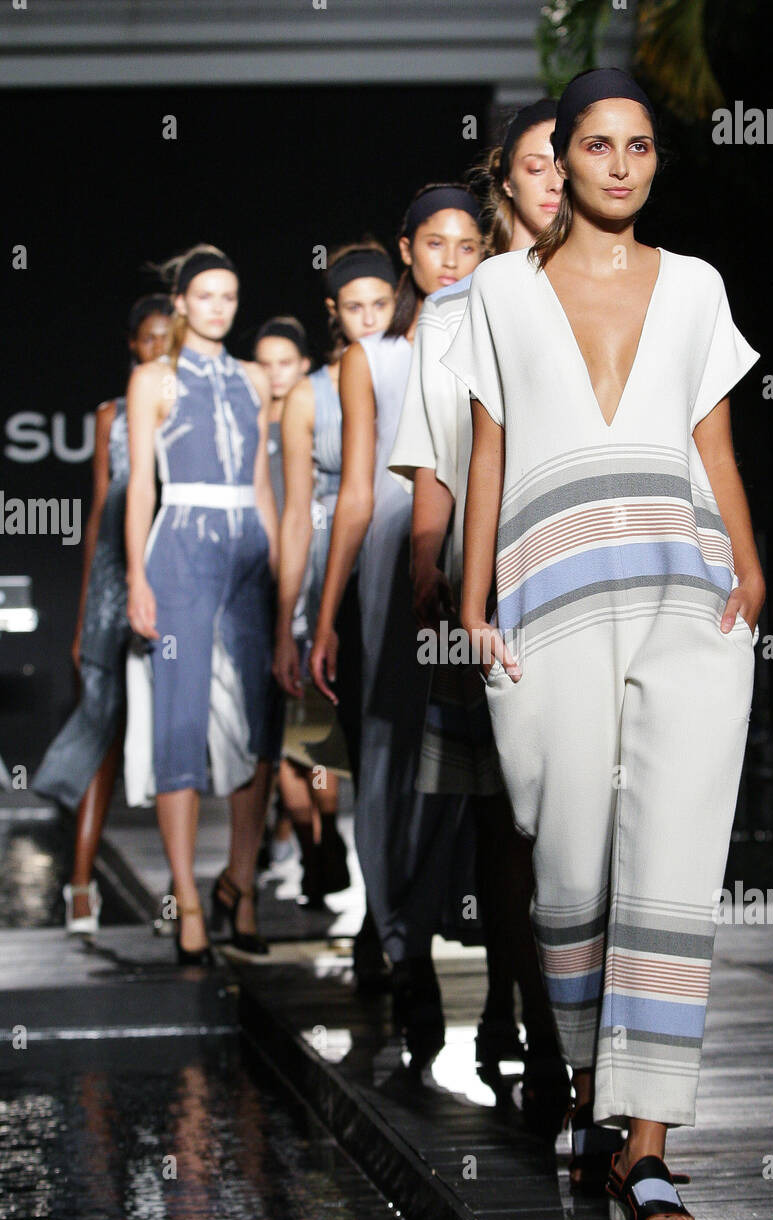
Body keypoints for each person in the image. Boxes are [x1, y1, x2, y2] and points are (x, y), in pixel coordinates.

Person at [445, 69, 764, 1220]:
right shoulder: (495, 292)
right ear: (559, 162)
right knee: (571, 866)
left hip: (683, 588)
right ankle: (583, 1093)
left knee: (672, 856)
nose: (619, 164)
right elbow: (487, 445)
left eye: (637, 146)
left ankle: (648, 1146)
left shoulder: (693, 287)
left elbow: (709, 437)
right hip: (550, 600)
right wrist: (472, 592)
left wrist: (748, 561)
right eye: (595, 145)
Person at [388, 101, 571, 1131]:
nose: (556, 181)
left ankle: (544, 1017)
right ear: (503, 175)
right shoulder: (455, 314)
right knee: (507, 818)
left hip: (581, 576)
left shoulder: (605, 290)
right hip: (487, 583)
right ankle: (528, 1018)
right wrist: (430, 562)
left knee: (571, 815)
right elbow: (434, 467)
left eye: (570, 160)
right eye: (540, 163)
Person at [309, 187, 484, 1066]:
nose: (452, 259)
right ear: (407, 253)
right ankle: (401, 942)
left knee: (465, 753)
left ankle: (418, 926)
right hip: (388, 546)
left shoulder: (495, 344)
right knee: (389, 747)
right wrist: (320, 615)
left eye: (468, 245)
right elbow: (350, 493)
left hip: (477, 538)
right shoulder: (370, 359)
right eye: (436, 245)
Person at [125, 244, 281, 965]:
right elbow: (139, 490)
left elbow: (261, 485)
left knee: (256, 726)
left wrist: (285, 595)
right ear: (180, 303)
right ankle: (187, 900)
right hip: (180, 546)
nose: (219, 307)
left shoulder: (254, 378)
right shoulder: (152, 378)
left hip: (247, 548)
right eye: (206, 295)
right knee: (180, 722)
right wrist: (136, 577)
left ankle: (241, 889)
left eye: (230, 295)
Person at [33, 295, 172, 932]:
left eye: (168, 339)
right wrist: (88, 606)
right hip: (117, 584)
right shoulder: (112, 416)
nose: (158, 349)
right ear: (132, 345)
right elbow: (97, 512)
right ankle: (82, 883)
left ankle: (186, 901)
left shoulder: (192, 413)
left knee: (177, 738)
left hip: (175, 579)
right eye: (148, 339)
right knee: (105, 730)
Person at [272, 249, 399, 939]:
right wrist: (287, 622)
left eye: (381, 301)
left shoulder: (413, 367)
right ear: (335, 313)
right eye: (355, 306)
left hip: (403, 555)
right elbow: (296, 512)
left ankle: (386, 915)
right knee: (324, 742)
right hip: (330, 568)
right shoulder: (308, 393)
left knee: (390, 748)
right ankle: (331, 858)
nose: (371, 316)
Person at [254, 315, 351, 909]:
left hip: (310, 574)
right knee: (284, 739)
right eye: (264, 364)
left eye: (285, 362)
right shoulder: (243, 427)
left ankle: (324, 843)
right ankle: (318, 851)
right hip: (256, 586)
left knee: (314, 733)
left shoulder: (321, 410)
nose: (275, 374)